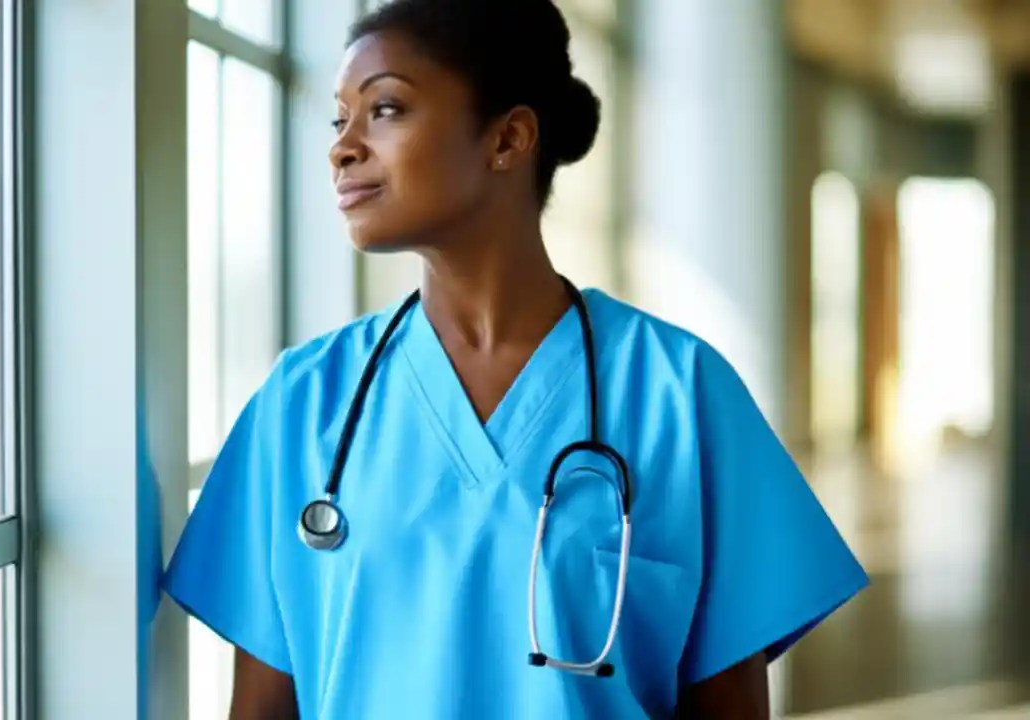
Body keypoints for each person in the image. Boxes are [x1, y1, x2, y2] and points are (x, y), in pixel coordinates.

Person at [163, 0, 868, 717]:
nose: (342, 146)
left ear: (508, 138)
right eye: (338, 118)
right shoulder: (302, 401)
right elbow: (259, 709)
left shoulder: (678, 393)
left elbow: (730, 708)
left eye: (385, 110)